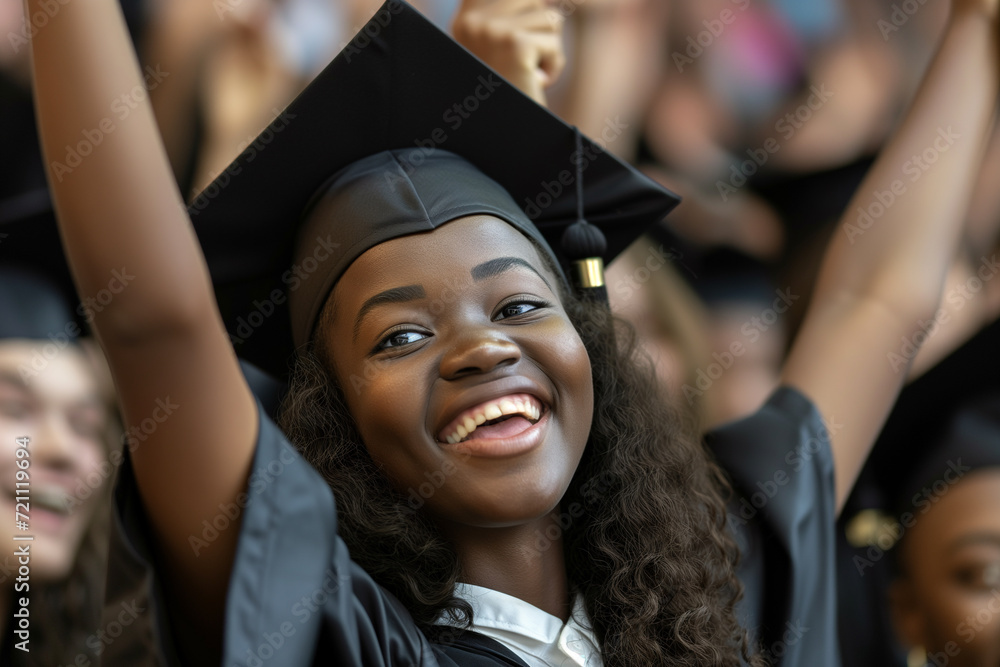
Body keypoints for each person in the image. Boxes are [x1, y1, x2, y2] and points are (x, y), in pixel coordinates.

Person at [26, 0, 1000, 666]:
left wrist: (973, 27)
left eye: (521, 306)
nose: (481, 345)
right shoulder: (335, 631)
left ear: (589, 339)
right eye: (398, 336)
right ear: (332, 416)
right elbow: (154, 318)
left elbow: (873, 304)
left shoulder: (724, 581)